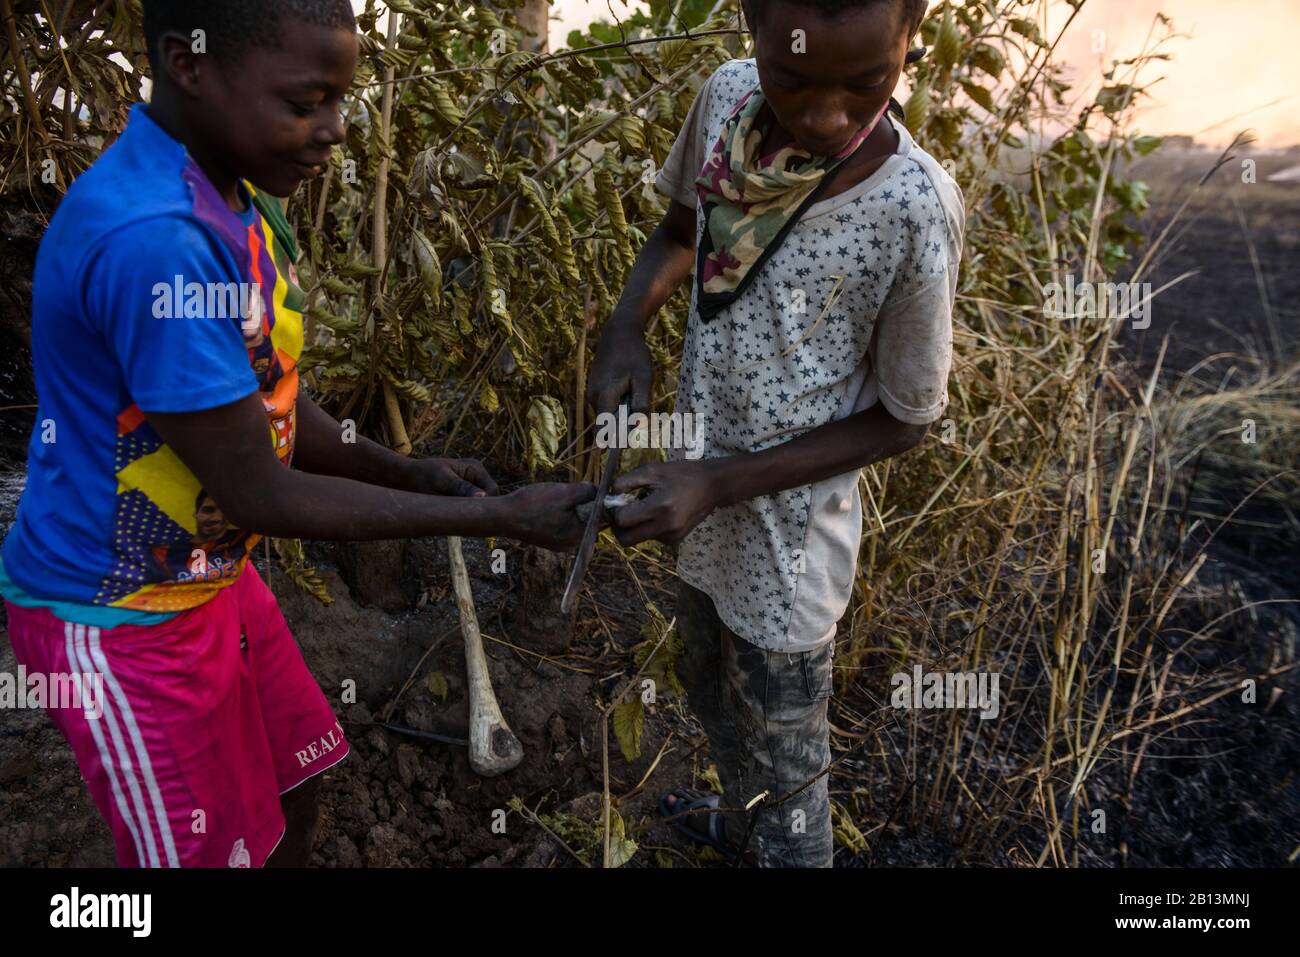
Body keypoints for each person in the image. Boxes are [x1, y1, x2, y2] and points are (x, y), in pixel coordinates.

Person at [0, 0, 593, 868]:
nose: (335, 131)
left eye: (341, 102)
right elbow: (260, 491)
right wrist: (495, 519)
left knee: (295, 774)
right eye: (306, 102)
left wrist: (407, 469)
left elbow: (266, 399)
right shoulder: (156, 242)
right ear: (189, 63)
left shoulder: (225, 194)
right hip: (122, 620)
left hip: (207, 577)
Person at [586, 0, 964, 866]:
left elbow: (908, 418)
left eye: (868, 82)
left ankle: (776, 840)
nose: (827, 115)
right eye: (793, 79)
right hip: (703, 507)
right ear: (752, 23)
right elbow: (684, 231)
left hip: (788, 554)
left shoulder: (909, 211)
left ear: (914, 38)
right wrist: (627, 326)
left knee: (791, 779)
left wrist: (718, 481)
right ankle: (742, 825)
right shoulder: (726, 102)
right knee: (708, 688)